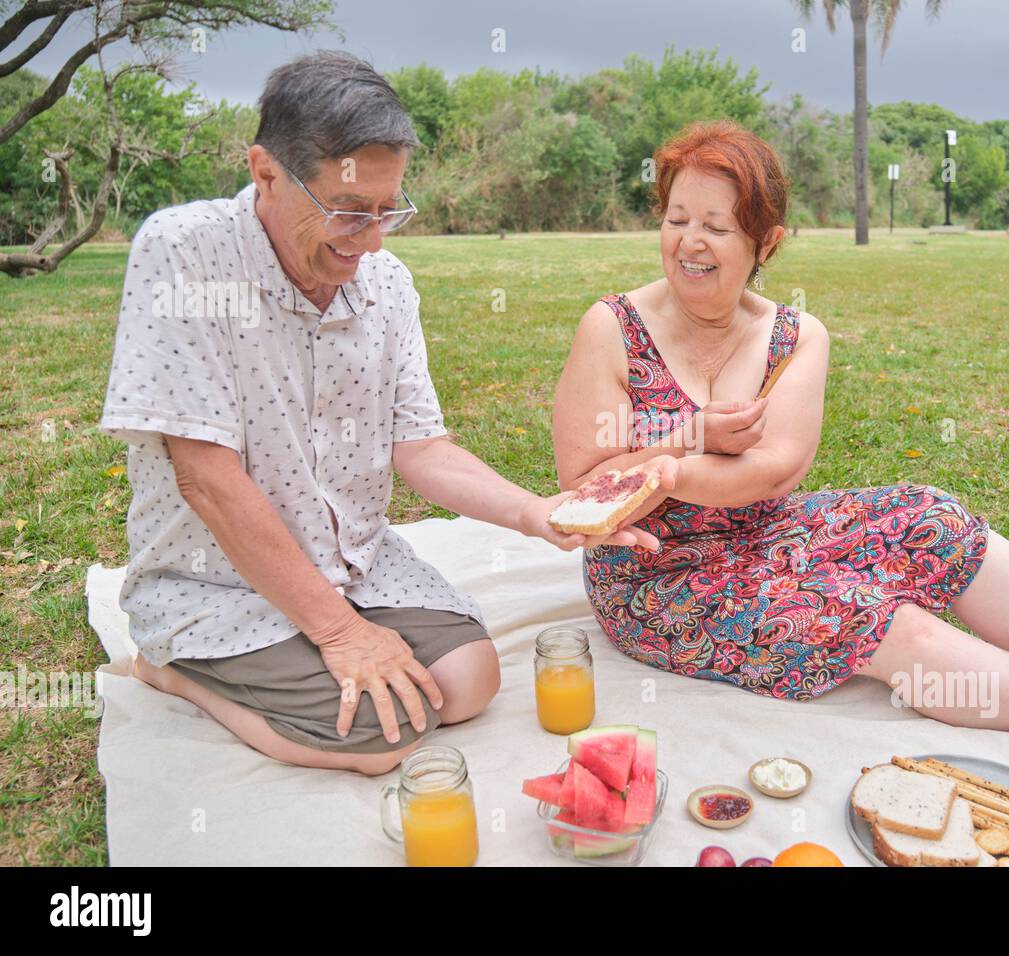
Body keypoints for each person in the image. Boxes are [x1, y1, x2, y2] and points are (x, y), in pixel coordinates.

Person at [551, 119, 1009, 775]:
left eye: (716, 225)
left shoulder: (795, 337)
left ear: (764, 242)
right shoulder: (612, 327)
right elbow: (582, 487)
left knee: (931, 515)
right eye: (677, 218)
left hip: (762, 529)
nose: (690, 242)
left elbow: (773, 473)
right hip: (656, 581)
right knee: (870, 613)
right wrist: (685, 445)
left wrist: (664, 468)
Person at [99, 52, 664, 777]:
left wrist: (538, 515)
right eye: (347, 211)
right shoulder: (184, 253)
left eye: (387, 211)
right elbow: (207, 479)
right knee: (384, 736)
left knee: (469, 683)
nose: (371, 242)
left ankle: (308, 645)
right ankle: (169, 668)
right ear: (266, 172)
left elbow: (422, 448)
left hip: (351, 563)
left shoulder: (386, 283)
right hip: (215, 580)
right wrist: (340, 634)